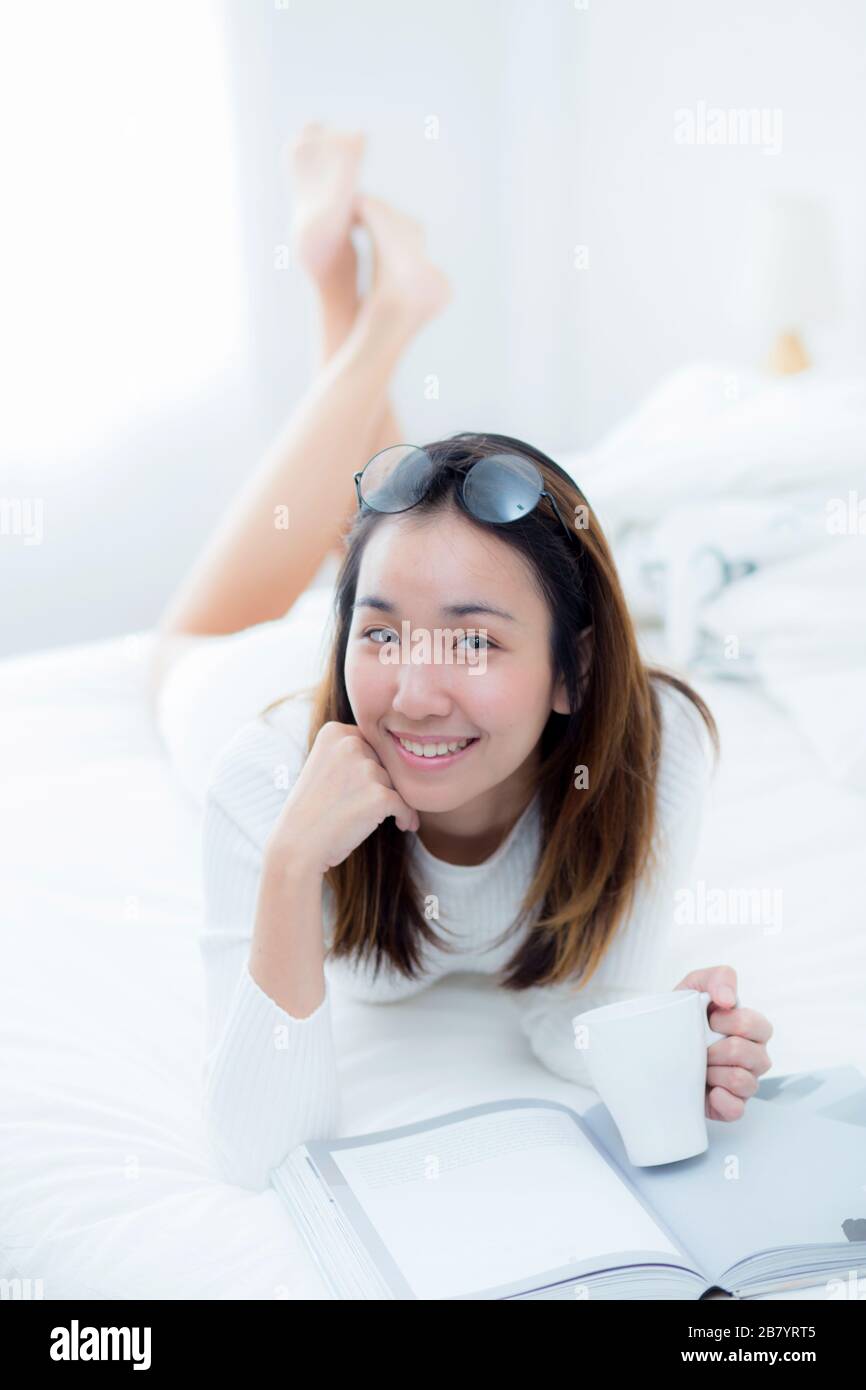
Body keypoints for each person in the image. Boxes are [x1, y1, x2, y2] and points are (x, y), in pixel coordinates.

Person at [153, 124, 773, 1191]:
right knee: (180, 648)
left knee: (409, 517)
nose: (414, 686)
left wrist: (669, 1035)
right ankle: (373, 305)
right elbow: (260, 1148)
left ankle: (363, 293)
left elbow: (565, 1022)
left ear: (574, 670)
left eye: (475, 639)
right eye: (379, 629)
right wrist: (291, 863)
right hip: (226, 686)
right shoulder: (259, 782)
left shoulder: (647, 752)